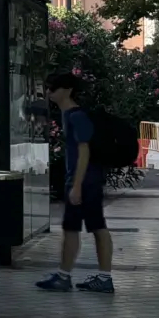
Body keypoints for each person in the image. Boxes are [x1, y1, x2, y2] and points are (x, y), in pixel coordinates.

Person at [38, 71, 116, 293]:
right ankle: (69, 275)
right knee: (75, 227)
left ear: (68, 90)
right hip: (81, 180)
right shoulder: (68, 115)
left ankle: (99, 277)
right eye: (48, 87)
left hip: (84, 181)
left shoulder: (76, 116)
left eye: (53, 87)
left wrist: (77, 185)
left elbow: (84, 152)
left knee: (93, 227)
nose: (49, 92)